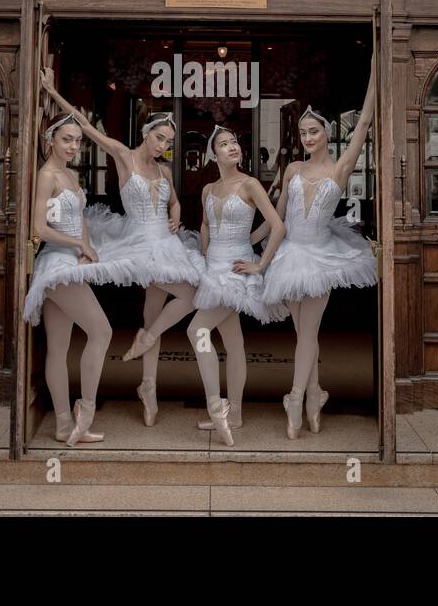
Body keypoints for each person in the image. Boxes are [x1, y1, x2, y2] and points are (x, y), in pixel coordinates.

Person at [40, 69, 200, 427]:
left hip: (166, 243)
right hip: (137, 243)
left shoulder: (166, 170)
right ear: (145, 133)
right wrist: (52, 90)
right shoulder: (124, 156)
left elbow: (174, 202)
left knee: (175, 303)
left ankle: (148, 385)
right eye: (158, 138)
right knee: (176, 301)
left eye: (167, 142)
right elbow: (85, 125)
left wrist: (176, 215)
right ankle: (146, 355)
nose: (162, 146)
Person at [258, 56, 378, 439]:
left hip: (322, 256)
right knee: (303, 334)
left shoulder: (339, 168)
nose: (307, 138)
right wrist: (245, 245)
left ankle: (295, 398)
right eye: (303, 132)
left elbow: (362, 124)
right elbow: (276, 221)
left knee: (308, 333)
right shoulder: (292, 169)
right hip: (289, 254)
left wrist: (376, 68)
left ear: (326, 133)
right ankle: (314, 395)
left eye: (313, 131)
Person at [25, 112, 135, 446]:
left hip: (74, 261)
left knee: (58, 348)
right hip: (58, 264)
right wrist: (77, 244)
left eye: (77, 140)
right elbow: (39, 228)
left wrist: (85, 245)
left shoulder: (71, 175)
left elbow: (81, 219)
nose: (73, 146)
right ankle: (84, 413)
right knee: (102, 331)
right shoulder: (47, 176)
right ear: (51, 141)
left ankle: (62, 425)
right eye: (66, 139)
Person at [185, 126, 288, 445]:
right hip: (213, 269)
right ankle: (237, 415)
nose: (233, 147)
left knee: (196, 331)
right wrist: (203, 254)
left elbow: (277, 226)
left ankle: (217, 408)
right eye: (224, 144)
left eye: (235, 142)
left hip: (236, 271)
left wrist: (259, 263)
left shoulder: (250, 184)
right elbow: (204, 224)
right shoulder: (208, 189)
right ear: (213, 154)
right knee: (233, 343)